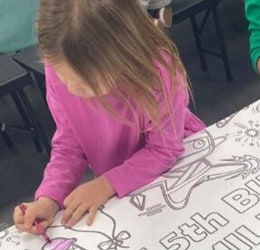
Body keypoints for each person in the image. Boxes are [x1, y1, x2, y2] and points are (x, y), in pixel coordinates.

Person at [14, 0, 205, 232]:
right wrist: (49, 198)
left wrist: (106, 184)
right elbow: (69, 144)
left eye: (83, 84)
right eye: (65, 79)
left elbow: (164, 150)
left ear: (121, 56)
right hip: (123, 185)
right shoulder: (58, 65)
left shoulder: (159, 71)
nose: (71, 89)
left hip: (180, 168)